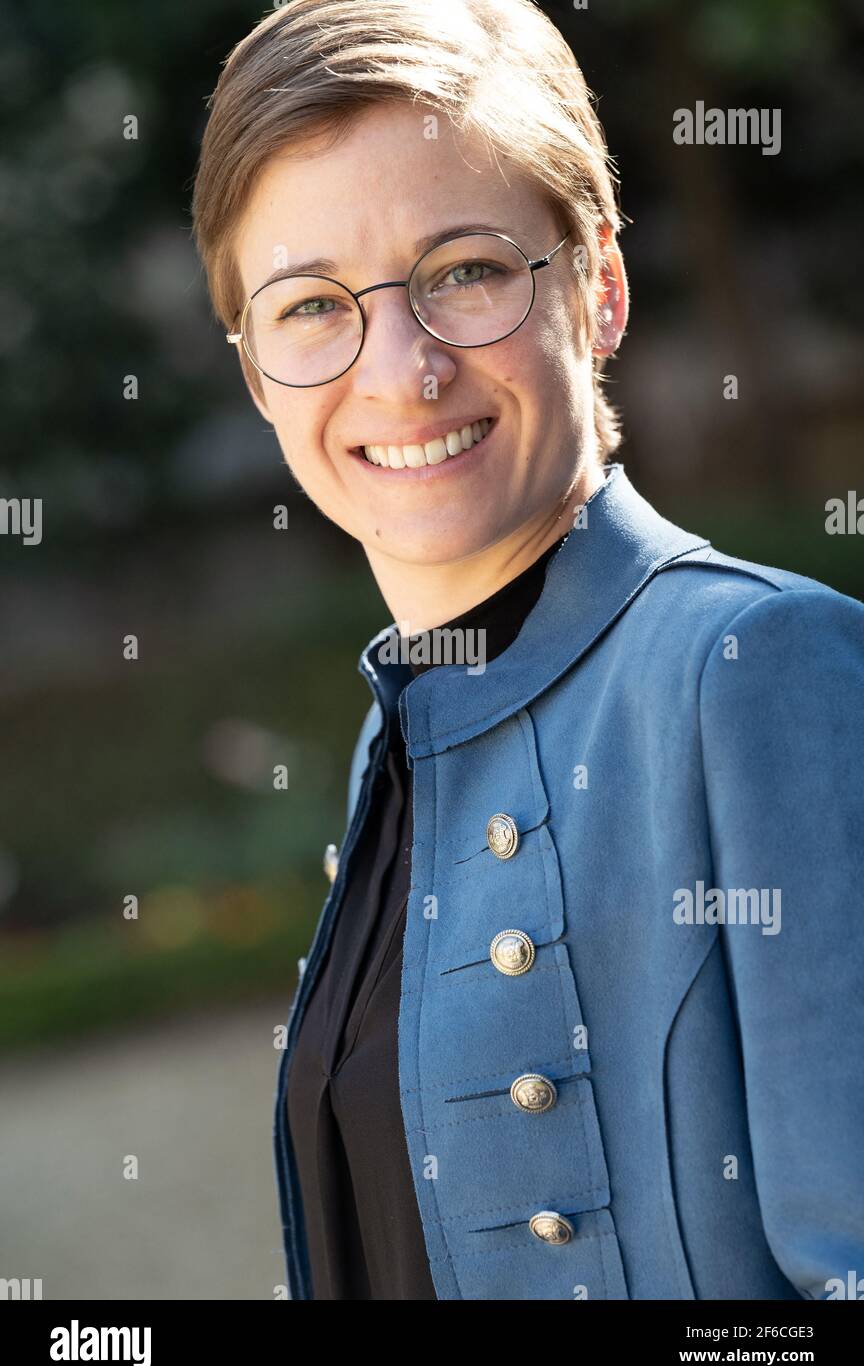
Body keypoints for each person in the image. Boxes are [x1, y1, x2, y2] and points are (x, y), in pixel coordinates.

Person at [191, 0, 864, 1300]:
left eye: (463, 271)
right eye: (313, 305)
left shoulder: (757, 666)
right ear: (257, 376)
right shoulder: (399, 733)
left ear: (600, 288)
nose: (402, 369)